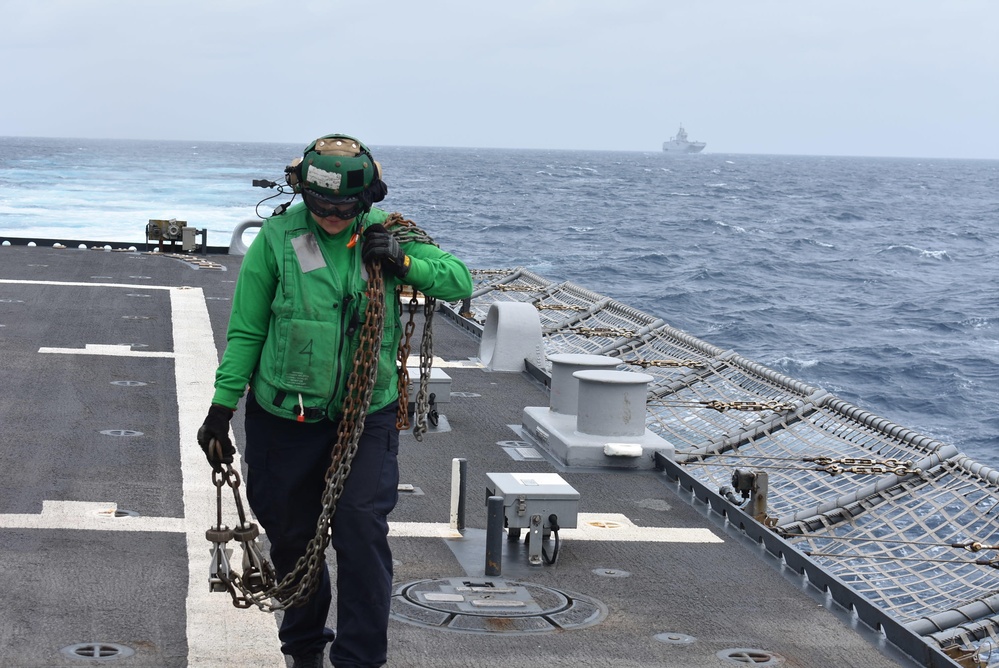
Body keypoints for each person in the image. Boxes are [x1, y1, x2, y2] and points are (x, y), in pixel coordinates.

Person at [197, 134, 473, 668]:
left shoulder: (389, 235)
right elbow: (247, 331)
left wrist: (402, 263)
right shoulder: (277, 241)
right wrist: (220, 409)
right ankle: (304, 652)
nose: (330, 216)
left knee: (361, 532)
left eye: (343, 207)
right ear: (304, 193)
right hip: (284, 419)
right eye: (320, 206)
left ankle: (359, 660)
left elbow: (459, 280)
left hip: (366, 416)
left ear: (366, 199)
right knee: (294, 541)